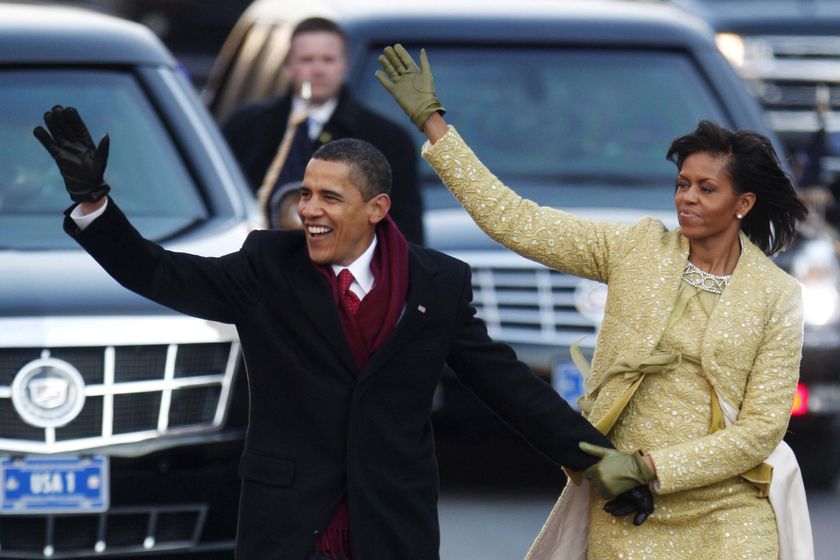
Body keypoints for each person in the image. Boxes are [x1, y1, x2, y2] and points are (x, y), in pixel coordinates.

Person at [34, 105, 653, 560]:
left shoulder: (436, 284)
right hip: (288, 525)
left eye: (329, 197)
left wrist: (598, 462)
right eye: (305, 194)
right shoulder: (265, 265)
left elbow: (507, 384)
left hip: (390, 525)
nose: (308, 209)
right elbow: (161, 272)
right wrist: (95, 206)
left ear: (377, 209)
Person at [376, 44, 813, 559]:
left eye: (705, 188)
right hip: (629, 509)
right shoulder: (636, 248)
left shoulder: (777, 294)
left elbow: (762, 429)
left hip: (731, 515)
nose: (687, 198)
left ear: (743, 204)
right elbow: (515, 220)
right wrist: (433, 124)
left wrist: (651, 468)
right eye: (682, 184)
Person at [222, 17, 424, 244]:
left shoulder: (388, 139)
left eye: (328, 60)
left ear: (344, 65)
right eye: (307, 60)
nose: (317, 70)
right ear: (289, 65)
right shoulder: (247, 127)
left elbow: (404, 235)